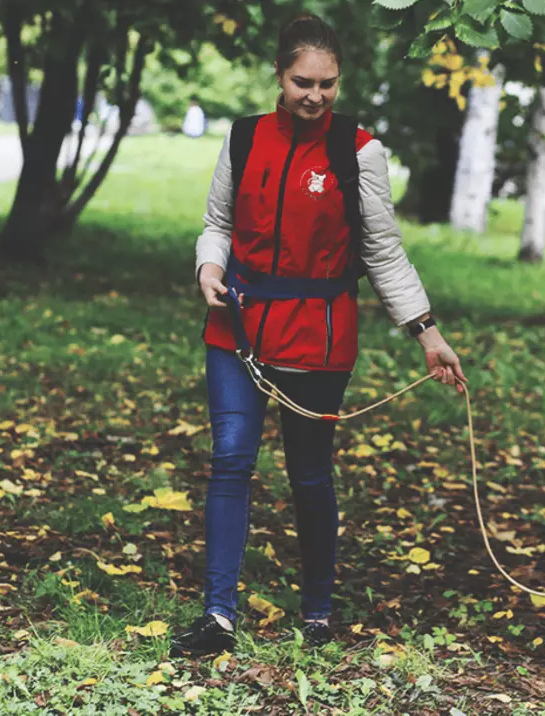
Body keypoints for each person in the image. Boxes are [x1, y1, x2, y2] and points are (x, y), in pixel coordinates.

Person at [170, 12, 465, 658]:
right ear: (279, 76)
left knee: (308, 473)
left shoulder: (357, 152)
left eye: (327, 84)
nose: (315, 96)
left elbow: (384, 253)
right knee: (231, 460)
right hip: (238, 327)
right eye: (303, 82)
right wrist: (209, 266)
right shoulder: (244, 139)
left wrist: (427, 332)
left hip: (319, 336)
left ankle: (318, 613)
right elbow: (216, 222)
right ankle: (218, 616)